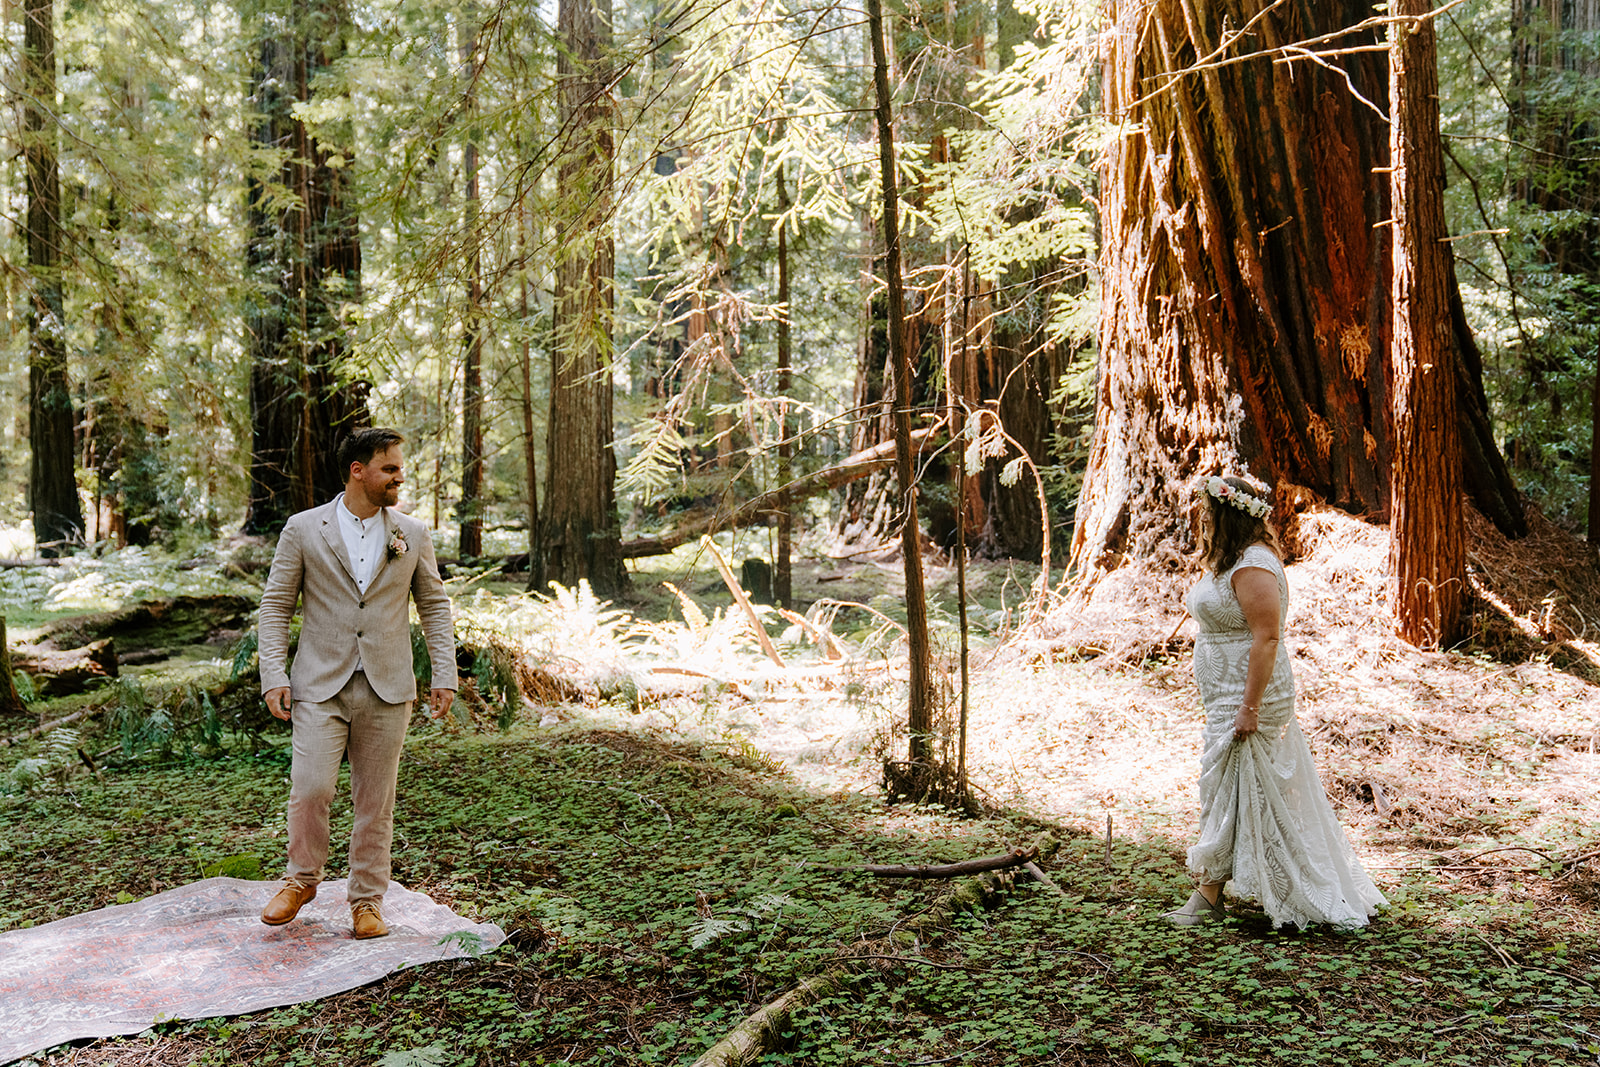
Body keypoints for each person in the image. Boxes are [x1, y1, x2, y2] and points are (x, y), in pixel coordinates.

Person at [256, 427, 458, 939]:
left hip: (388, 686)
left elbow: (433, 604)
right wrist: (273, 674)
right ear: (358, 470)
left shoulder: (411, 532)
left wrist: (444, 673)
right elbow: (277, 605)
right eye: (389, 468)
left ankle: (367, 901)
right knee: (311, 789)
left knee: (376, 801)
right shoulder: (304, 529)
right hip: (319, 683)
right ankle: (301, 879)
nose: (399, 477)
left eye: (398, 468)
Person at [1163, 474, 1384, 929]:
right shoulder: (1233, 561)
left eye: (1209, 510)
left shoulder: (1253, 566)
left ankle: (1210, 897)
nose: (1203, 517)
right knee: (1236, 783)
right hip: (1226, 693)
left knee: (1233, 781)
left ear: (1228, 514)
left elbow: (1266, 638)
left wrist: (1250, 707)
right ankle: (1225, 888)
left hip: (1249, 694)